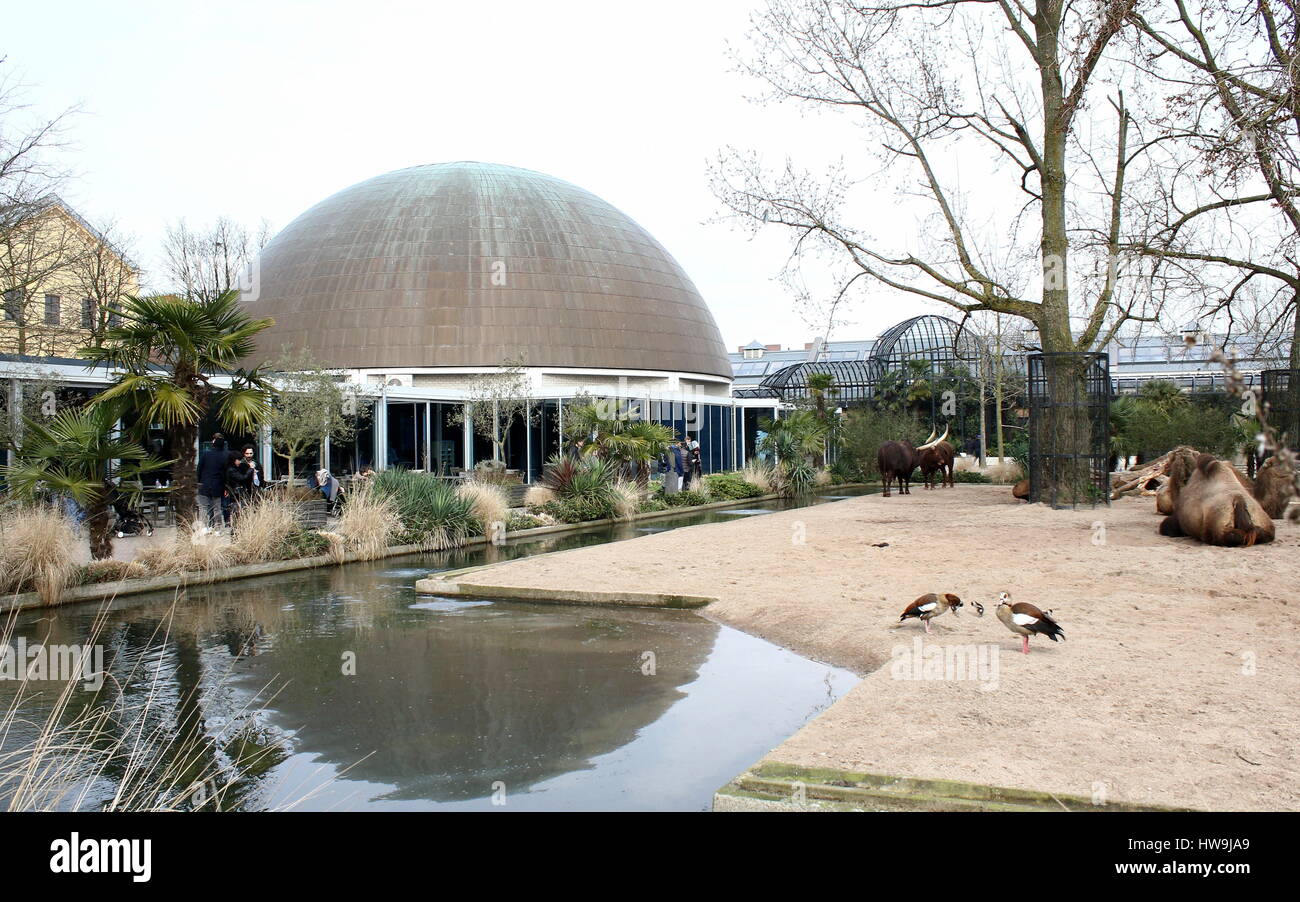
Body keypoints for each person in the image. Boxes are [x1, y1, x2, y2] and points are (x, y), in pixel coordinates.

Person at [196, 433, 229, 531]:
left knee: (203, 507)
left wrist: (199, 481)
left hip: (204, 484)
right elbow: (225, 473)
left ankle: (204, 527)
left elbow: (199, 469)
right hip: (218, 485)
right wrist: (225, 486)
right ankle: (217, 529)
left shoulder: (206, 454)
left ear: (213, 443)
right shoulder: (224, 456)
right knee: (217, 508)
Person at [226, 451, 255, 519]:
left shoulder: (234, 468)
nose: (240, 462)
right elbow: (242, 478)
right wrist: (251, 469)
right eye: (238, 460)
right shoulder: (231, 470)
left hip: (237, 493)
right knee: (237, 511)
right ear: (234, 460)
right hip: (235, 494)